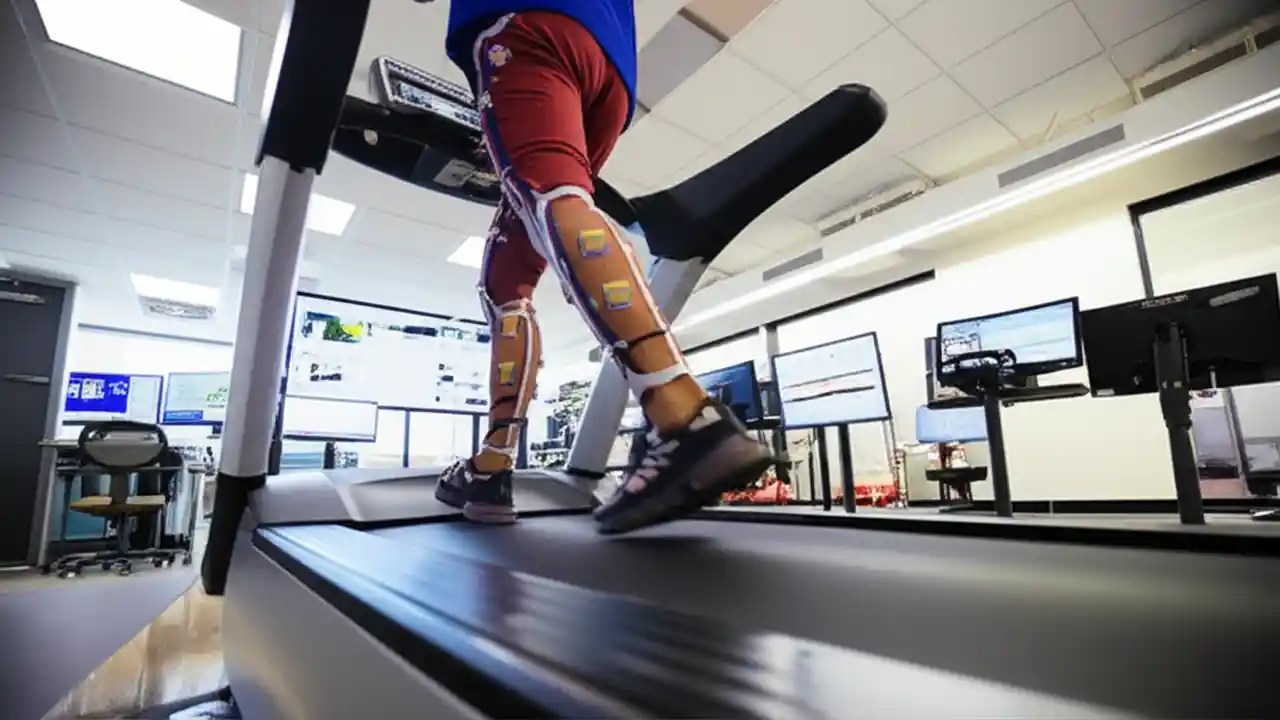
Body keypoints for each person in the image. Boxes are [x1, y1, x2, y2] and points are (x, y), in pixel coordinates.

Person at [432, 0, 774, 534]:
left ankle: (685, 417)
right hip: (610, 70)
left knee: (553, 196)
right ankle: (493, 463)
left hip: (522, 25)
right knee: (507, 277)